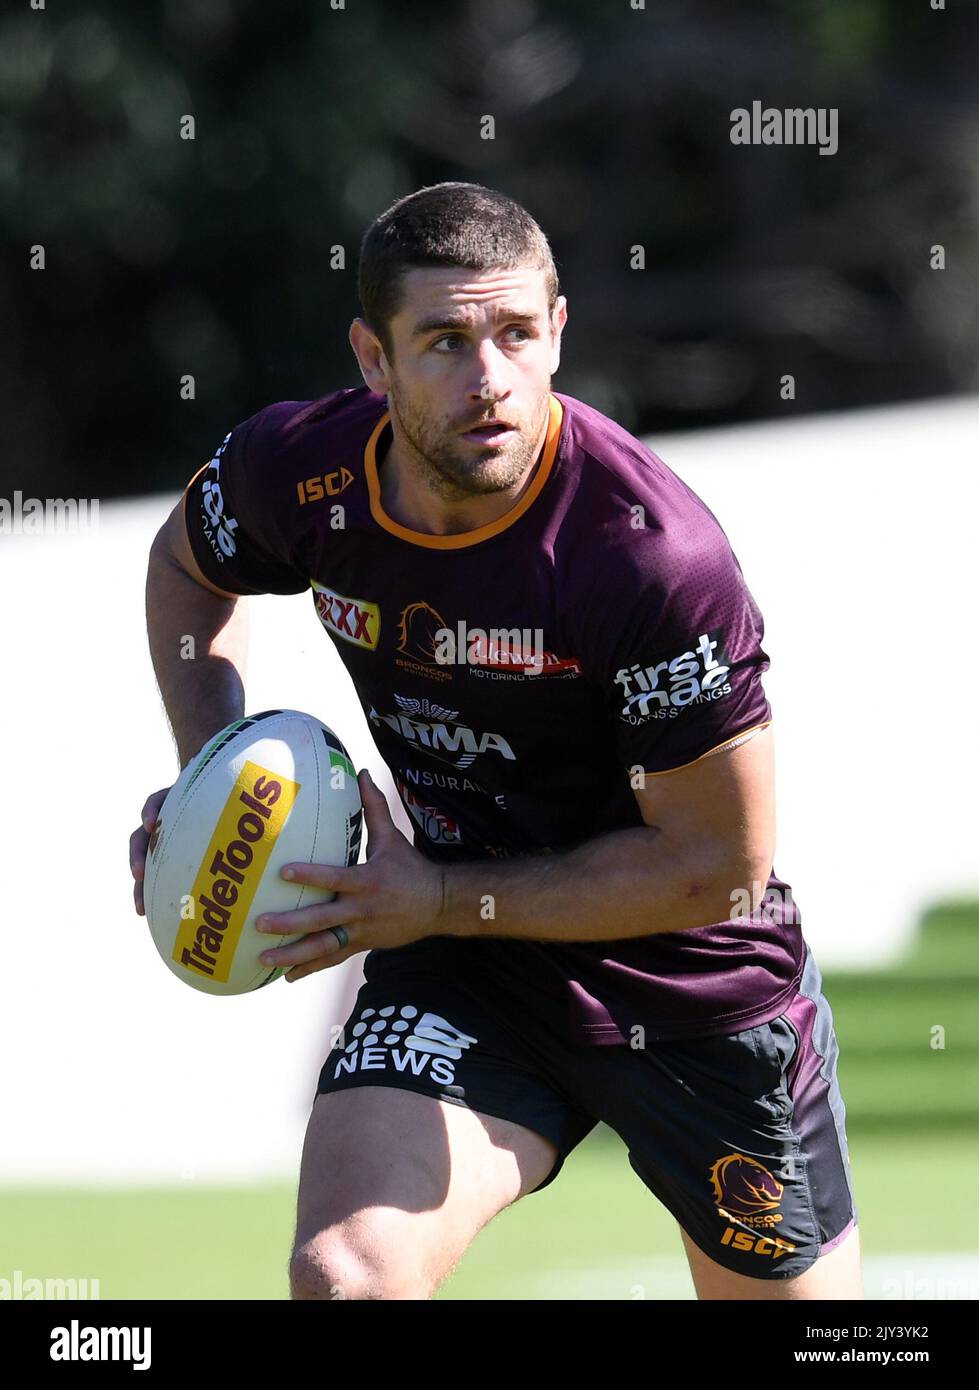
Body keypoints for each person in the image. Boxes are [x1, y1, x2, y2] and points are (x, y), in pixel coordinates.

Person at [131, 182, 861, 1301]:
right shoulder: (298, 473)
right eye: (444, 341)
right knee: (348, 1277)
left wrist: (431, 898)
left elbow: (718, 869)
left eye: (517, 334)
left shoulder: (650, 560)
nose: (489, 380)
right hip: (469, 967)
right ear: (372, 359)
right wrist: (208, 778)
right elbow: (186, 568)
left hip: (690, 981)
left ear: (557, 331)